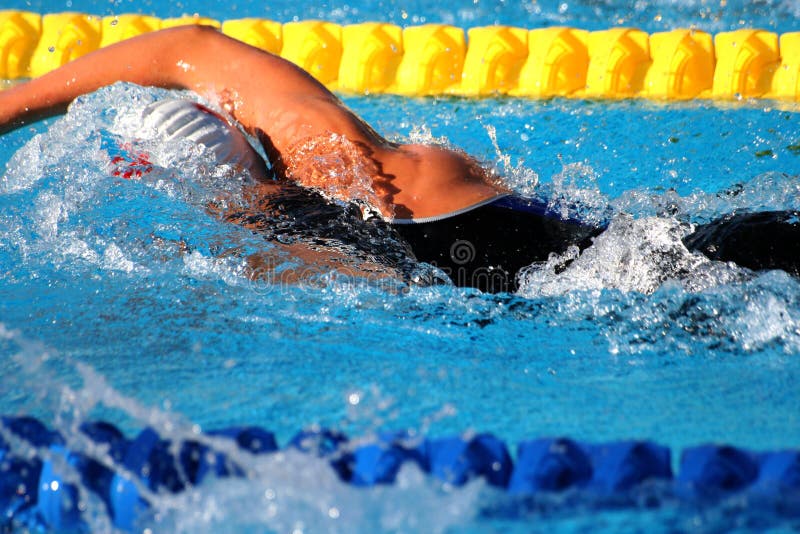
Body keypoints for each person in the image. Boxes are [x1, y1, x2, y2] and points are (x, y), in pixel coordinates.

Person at [1, 26, 798, 292]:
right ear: (231, 121)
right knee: (711, 251)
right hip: (554, 244)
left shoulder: (252, 245)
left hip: (474, 285)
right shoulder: (319, 137)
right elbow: (187, 46)